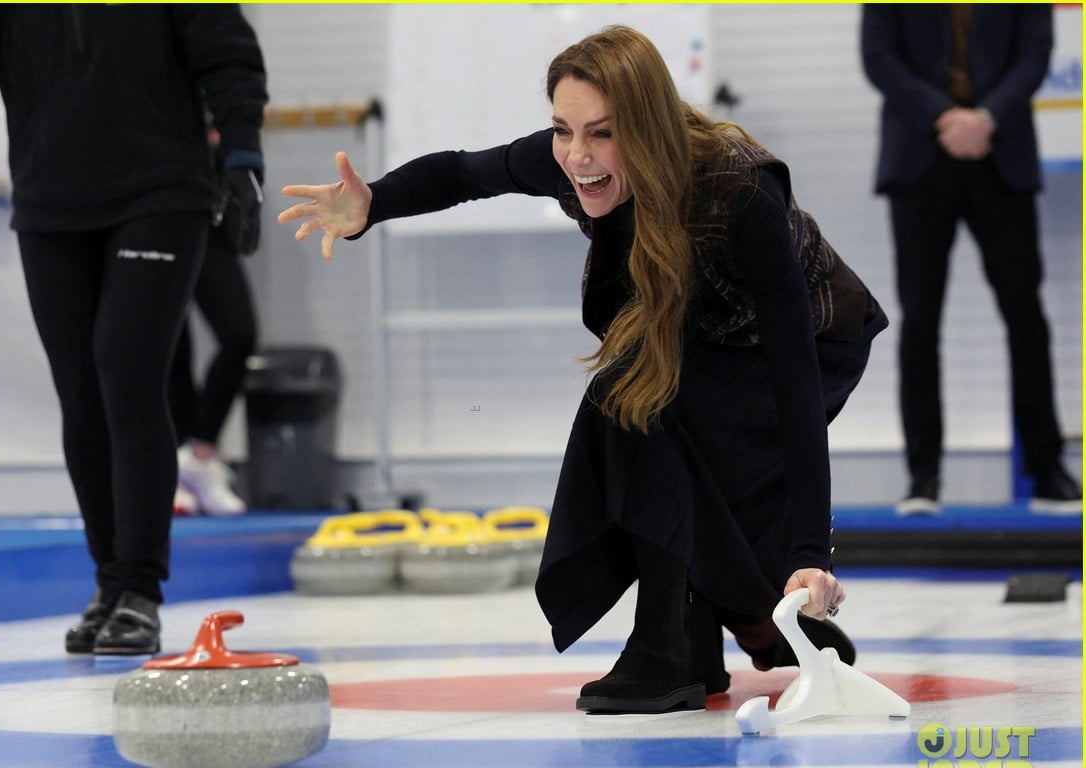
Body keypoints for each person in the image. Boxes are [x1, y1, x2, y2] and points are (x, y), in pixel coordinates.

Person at [279, 25, 887, 713]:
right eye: (563, 130)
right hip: (709, 331)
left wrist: (812, 549)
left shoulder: (738, 191)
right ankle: (727, 621)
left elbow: (794, 380)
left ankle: (680, 644)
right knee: (634, 403)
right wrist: (371, 206)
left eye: (601, 133)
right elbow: (460, 172)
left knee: (637, 397)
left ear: (648, 127)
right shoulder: (567, 159)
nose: (577, 157)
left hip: (815, 339)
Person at [0, 5, 268, 655]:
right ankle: (110, 582)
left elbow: (227, 52)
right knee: (81, 392)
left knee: (127, 375)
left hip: (160, 194)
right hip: (50, 200)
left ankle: (140, 587)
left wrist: (243, 154)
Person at [861, 4, 1081, 516]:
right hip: (918, 156)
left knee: (1025, 314)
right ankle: (923, 477)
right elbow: (879, 57)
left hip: (1001, 154)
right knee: (919, 321)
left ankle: (1047, 469)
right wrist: (943, 116)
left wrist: (984, 118)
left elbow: (1034, 53)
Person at [169, 129, 260, 517]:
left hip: (207, 213)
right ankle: (173, 467)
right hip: (148, 211)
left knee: (240, 334)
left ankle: (199, 453)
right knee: (171, 347)